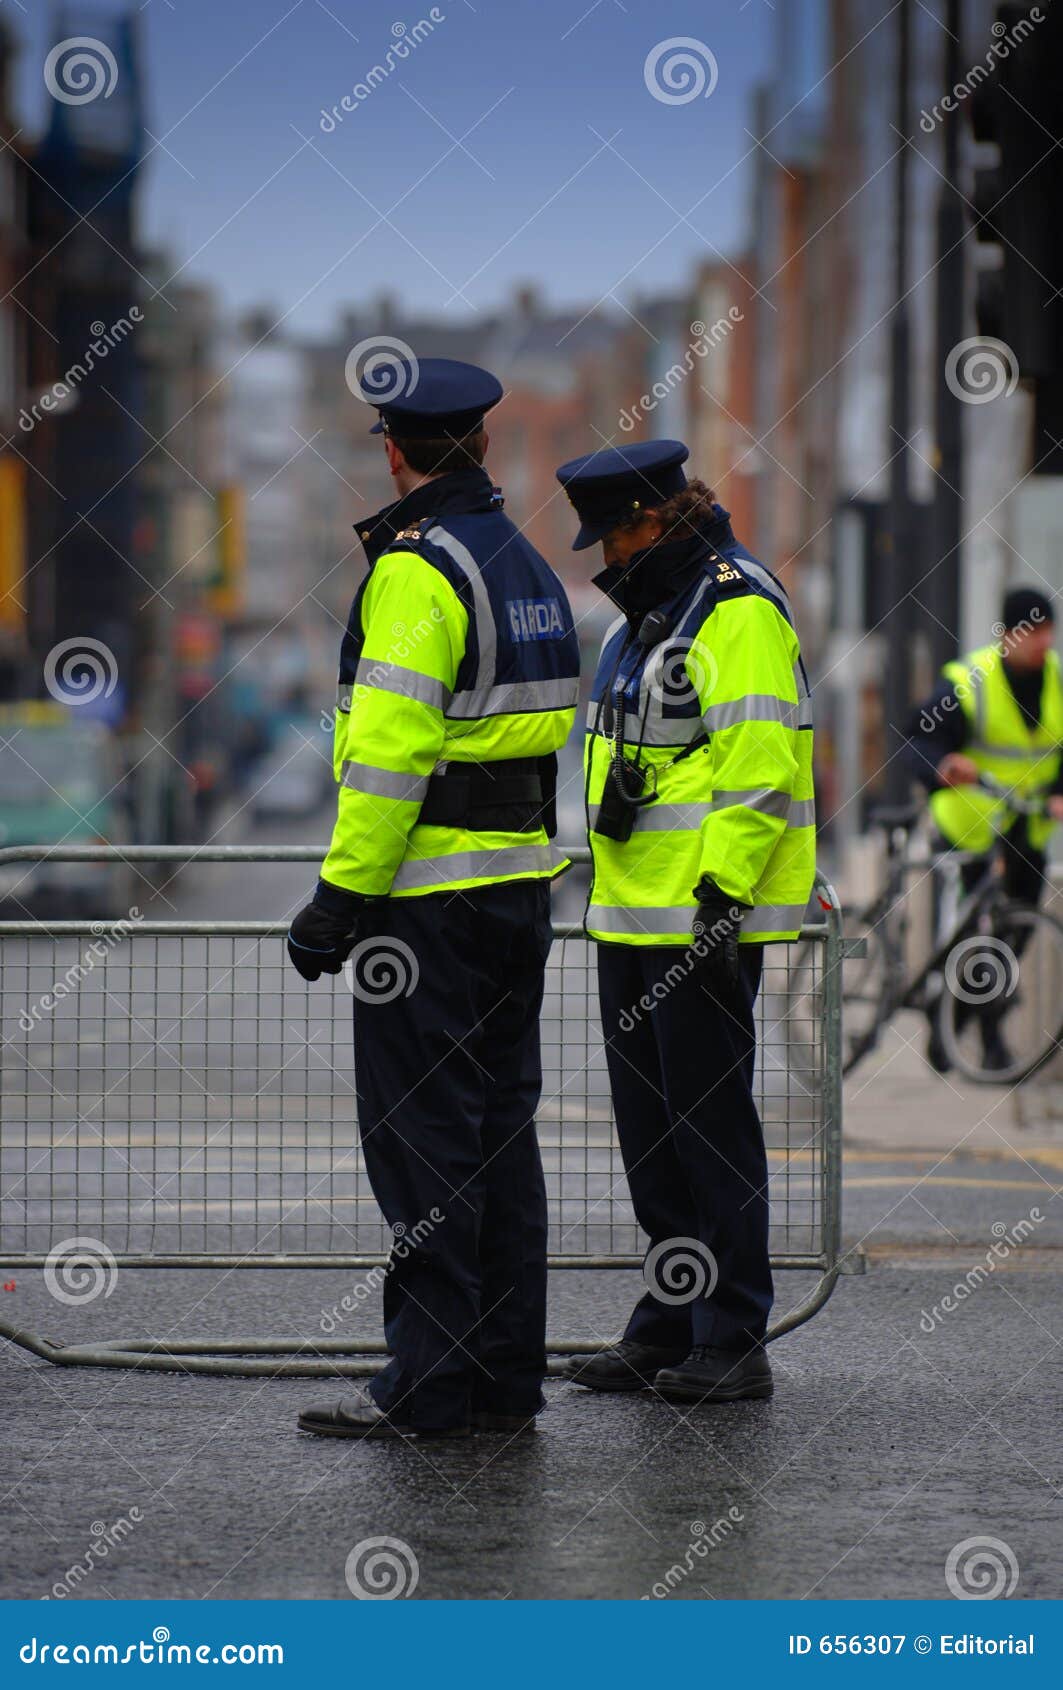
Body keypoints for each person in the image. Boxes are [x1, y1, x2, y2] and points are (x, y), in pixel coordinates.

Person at [290, 357, 580, 1440]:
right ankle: (501, 1378)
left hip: (424, 906)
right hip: (515, 893)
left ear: (396, 448)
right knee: (500, 1143)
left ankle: (428, 1386)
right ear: (485, 446)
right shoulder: (527, 564)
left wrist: (337, 897)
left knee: (423, 1148)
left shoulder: (417, 570)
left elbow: (392, 756)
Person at [554, 440, 815, 1405]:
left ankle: (732, 1335)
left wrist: (720, 898)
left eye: (614, 536)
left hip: (696, 918)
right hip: (631, 915)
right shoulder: (652, 613)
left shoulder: (733, 604)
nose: (605, 558)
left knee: (708, 1133)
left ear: (654, 518)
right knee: (653, 1138)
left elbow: (760, 765)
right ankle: (668, 1324)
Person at [903, 587, 1063, 1072]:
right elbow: (919, 740)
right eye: (1030, 632)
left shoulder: (1056, 681)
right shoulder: (971, 680)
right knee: (976, 936)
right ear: (1008, 635)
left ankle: (950, 1012)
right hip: (968, 828)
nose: (1041, 642)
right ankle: (987, 1038)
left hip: (1025, 828)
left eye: (1046, 631)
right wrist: (944, 765)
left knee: (1016, 934)